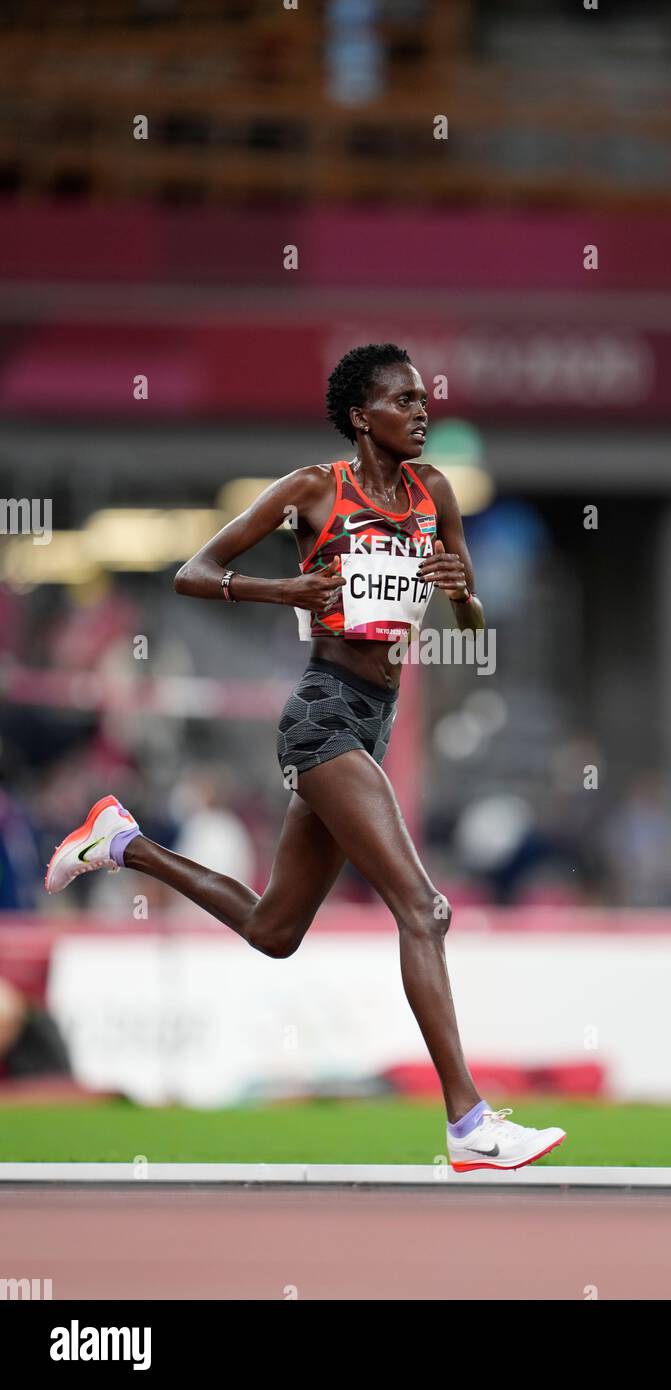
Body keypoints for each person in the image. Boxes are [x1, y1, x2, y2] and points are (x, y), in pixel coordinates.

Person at [45, 343, 565, 1172]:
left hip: (375, 722)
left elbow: (471, 629)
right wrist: (281, 591)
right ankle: (469, 1125)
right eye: (404, 400)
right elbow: (193, 571)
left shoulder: (436, 495)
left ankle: (122, 841)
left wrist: (461, 589)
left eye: (426, 399)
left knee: (273, 929)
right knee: (424, 909)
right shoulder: (312, 489)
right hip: (322, 717)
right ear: (363, 416)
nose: (423, 412)